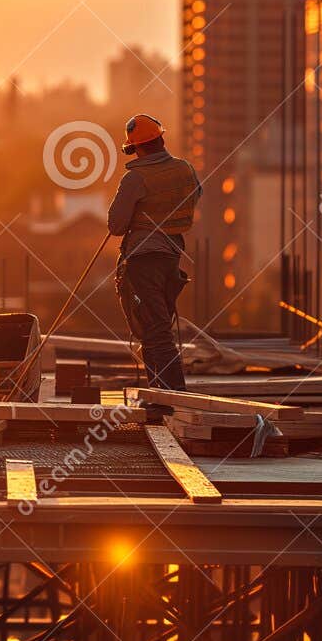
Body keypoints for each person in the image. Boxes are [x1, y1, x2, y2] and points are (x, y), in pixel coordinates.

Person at [107, 114, 200, 420]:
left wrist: (138, 214)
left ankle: (172, 398)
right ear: (162, 140)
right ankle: (160, 394)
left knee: (155, 328)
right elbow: (194, 195)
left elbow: (116, 225)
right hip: (171, 256)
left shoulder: (135, 179)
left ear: (136, 149)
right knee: (155, 325)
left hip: (143, 259)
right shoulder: (184, 169)